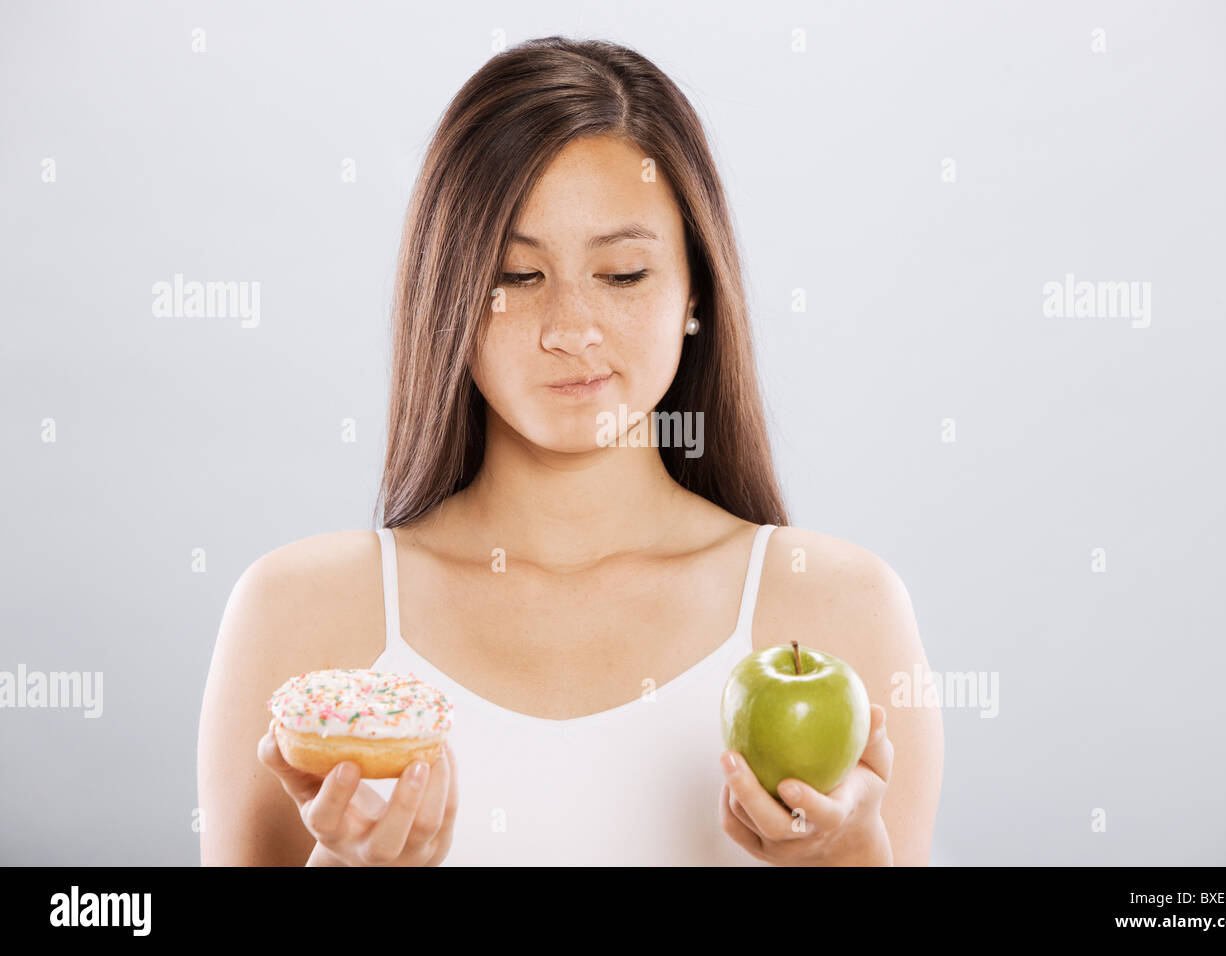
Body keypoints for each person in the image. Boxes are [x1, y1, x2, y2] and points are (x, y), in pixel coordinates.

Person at [197, 35, 942, 866]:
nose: (571, 331)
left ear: (696, 290)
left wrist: (848, 856)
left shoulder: (839, 608)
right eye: (516, 277)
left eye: (623, 274)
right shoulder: (299, 613)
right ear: (447, 295)